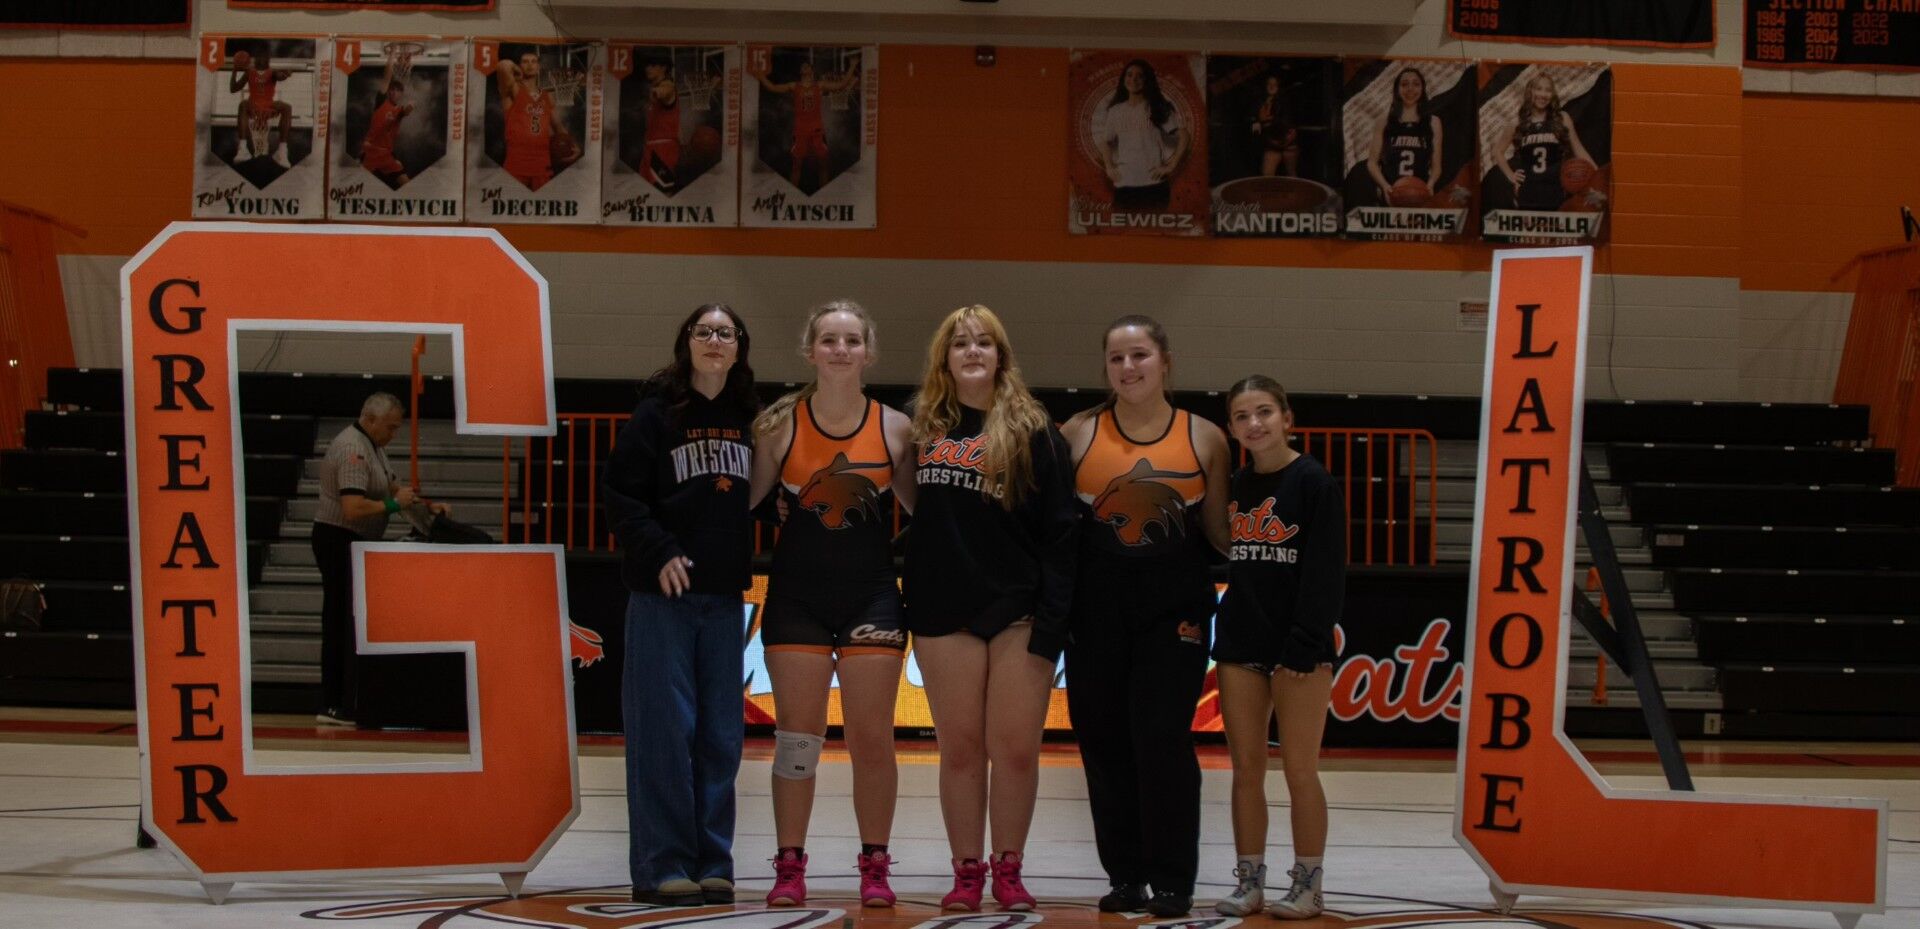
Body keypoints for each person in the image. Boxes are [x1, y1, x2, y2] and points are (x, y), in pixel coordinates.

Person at [903, 305, 1077, 912]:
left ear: (1001, 355)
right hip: (943, 607)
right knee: (961, 749)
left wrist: (1055, 619)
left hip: (1019, 608)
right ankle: (966, 871)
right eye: (960, 343)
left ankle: (1009, 867)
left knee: (1017, 750)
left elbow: (1062, 534)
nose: (972, 351)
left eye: (984, 342)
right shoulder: (918, 427)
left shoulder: (1036, 431)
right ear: (944, 358)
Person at [1060, 316, 1231, 917]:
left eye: (1139, 355)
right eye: (1115, 359)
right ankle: (1126, 875)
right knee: (1103, 743)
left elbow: (1218, 535)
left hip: (1175, 614)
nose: (1128, 368)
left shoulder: (1205, 437)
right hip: (1094, 613)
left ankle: (1173, 878)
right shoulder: (1077, 433)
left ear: (1165, 361)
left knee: (1160, 739)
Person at [746, 300, 916, 908]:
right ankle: (789, 865)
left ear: (868, 352)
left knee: (873, 740)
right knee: (798, 739)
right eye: (829, 340)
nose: (840, 350)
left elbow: (937, 512)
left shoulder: (897, 428)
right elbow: (743, 505)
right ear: (810, 350)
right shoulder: (778, 425)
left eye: (851, 341)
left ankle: (875, 864)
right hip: (797, 599)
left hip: (872, 595)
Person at [603, 304, 758, 907]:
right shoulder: (656, 415)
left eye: (725, 333)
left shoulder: (752, 419)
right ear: (686, 343)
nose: (714, 341)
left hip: (723, 599)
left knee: (720, 737)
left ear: (739, 347)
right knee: (665, 734)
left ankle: (713, 860)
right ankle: (662, 864)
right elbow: (620, 492)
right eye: (704, 332)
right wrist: (658, 550)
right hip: (662, 599)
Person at [1210, 376, 1347, 921]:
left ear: (1287, 417)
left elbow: (1326, 574)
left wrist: (1304, 644)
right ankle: (1250, 882)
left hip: (1299, 652)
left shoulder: (1313, 482)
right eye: (1242, 417)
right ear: (1232, 428)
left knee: (1299, 771)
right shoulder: (1239, 484)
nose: (1255, 424)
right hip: (1241, 641)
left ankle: (1308, 884)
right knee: (1245, 769)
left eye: (1264, 412)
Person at [310, 393, 447, 727]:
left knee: (347, 623)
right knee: (340, 621)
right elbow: (353, 508)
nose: (393, 434)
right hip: (338, 538)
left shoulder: (374, 448)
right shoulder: (353, 450)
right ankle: (332, 703)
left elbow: (395, 491)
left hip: (354, 540)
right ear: (369, 418)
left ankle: (344, 699)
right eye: (390, 427)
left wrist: (429, 510)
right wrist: (393, 507)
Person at [1093, 59, 1189, 211]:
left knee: (1157, 232)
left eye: (1139, 76)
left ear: (1147, 80)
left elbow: (1183, 135)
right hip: (1125, 184)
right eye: (1129, 75)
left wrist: (1171, 165)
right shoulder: (1115, 111)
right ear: (1124, 79)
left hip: (1154, 185)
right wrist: (1109, 167)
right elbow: (1106, 141)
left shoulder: (1157, 107)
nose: (1133, 79)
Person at [755, 59, 859, 190]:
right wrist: (761, 76)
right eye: (803, 66)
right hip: (800, 132)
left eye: (807, 66)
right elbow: (773, 87)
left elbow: (841, 85)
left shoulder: (819, 86)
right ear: (800, 71)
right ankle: (793, 194)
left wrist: (852, 66)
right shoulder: (794, 86)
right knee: (796, 166)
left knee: (823, 165)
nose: (805, 67)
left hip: (817, 131)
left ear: (811, 70)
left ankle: (824, 194)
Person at [1501, 73, 1598, 211]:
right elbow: (1497, 151)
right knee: (1530, 233)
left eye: (1548, 90)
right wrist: (1510, 175)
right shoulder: (1517, 122)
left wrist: (1598, 176)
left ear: (1552, 94)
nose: (1543, 94)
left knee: (1553, 232)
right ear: (1530, 91)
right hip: (1527, 192)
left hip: (1556, 192)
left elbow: (1579, 150)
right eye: (1539, 89)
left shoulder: (1562, 118)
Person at [496, 48, 579, 191]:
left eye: (534, 62)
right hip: (517, 160)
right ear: (519, 65)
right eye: (525, 61)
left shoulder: (546, 96)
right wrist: (517, 72)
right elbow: (503, 65)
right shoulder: (512, 90)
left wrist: (573, 145)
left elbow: (558, 126)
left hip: (542, 161)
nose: (530, 65)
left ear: (539, 67)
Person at [1366, 67, 1443, 206]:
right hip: (1390, 192)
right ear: (1397, 89)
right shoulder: (1384, 121)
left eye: (1416, 84)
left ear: (1422, 88)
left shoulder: (1433, 122)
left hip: (1419, 192)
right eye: (1404, 84)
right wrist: (1385, 186)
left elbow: (1436, 166)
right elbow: (1372, 162)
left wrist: (1429, 185)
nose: (1410, 89)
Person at [230, 49, 294, 168]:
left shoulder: (272, 72)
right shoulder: (249, 72)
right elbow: (233, 89)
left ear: (268, 60)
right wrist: (234, 70)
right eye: (258, 57)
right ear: (255, 60)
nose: (260, 59)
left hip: (268, 105)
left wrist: (285, 74)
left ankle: (282, 151)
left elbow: (280, 76)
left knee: (287, 107)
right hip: (253, 104)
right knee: (242, 104)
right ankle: (243, 149)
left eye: (264, 57)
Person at [360, 80, 414, 188]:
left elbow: (406, 111)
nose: (394, 92)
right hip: (371, 153)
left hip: (386, 156)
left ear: (401, 94)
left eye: (397, 91)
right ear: (388, 92)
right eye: (392, 90)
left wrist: (410, 107)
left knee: (408, 185)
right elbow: (386, 77)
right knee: (358, 187)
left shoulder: (399, 111)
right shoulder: (380, 102)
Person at [640, 58, 682, 191]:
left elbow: (666, 90)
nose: (648, 68)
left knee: (663, 193)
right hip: (650, 149)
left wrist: (658, 92)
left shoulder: (667, 85)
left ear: (664, 67)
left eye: (653, 64)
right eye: (647, 65)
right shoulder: (654, 89)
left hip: (663, 150)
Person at [1251, 74, 1299, 178]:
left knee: (1292, 176)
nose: (1272, 87)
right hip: (1271, 143)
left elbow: (1289, 122)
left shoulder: (1285, 102)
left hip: (1288, 142)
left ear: (1278, 87)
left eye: (1275, 84)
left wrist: (1287, 138)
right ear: (1265, 85)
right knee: (1267, 176)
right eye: (1269, 84)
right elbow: (1255, 124)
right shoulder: (1259, 102)